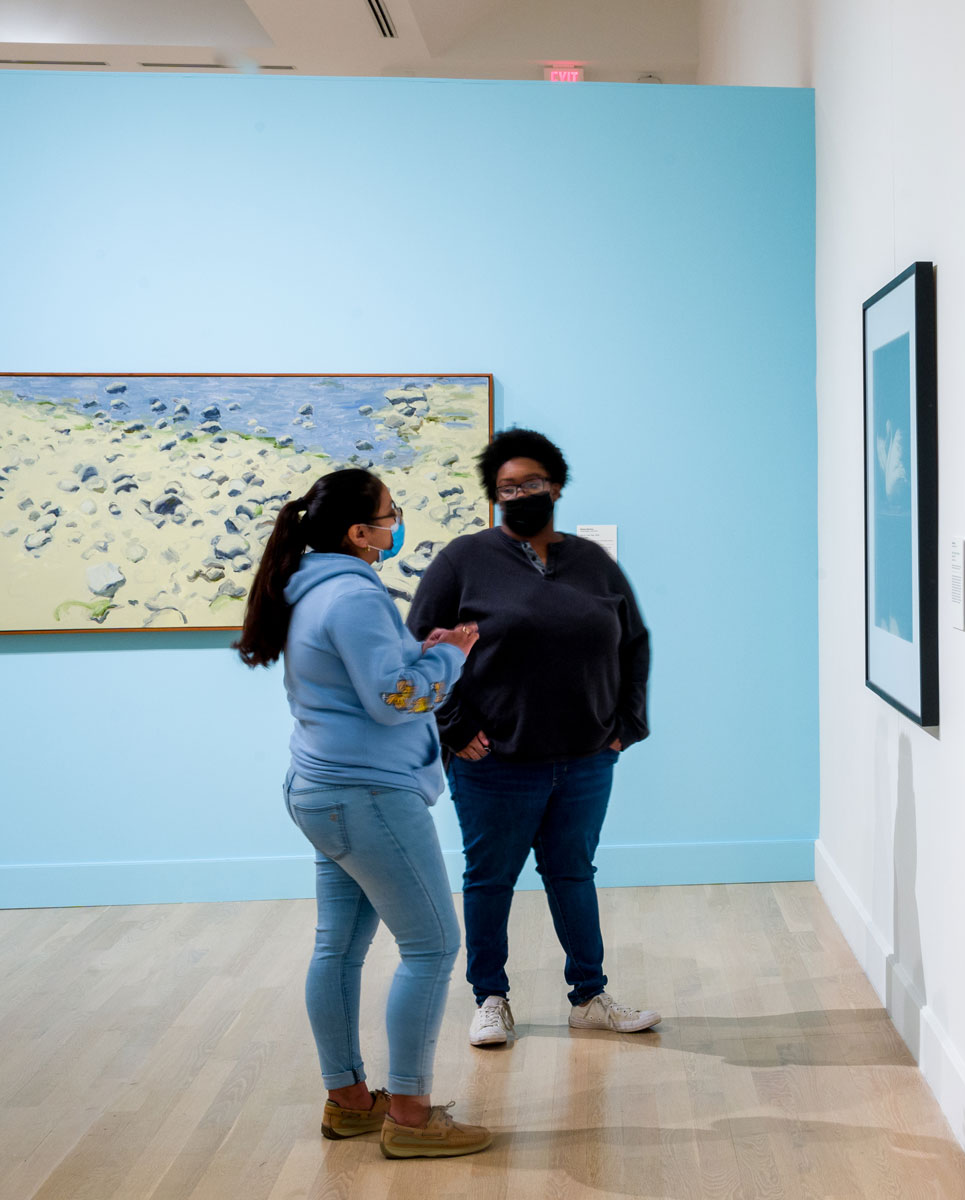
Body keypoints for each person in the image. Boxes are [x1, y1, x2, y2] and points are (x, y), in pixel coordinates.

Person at [235, 467, 493, 1160]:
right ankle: (409, 1116)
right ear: (359, 532)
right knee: (434, 946)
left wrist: (422, 652)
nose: (395, 522)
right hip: (367, 796)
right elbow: (395, 698)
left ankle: (349, 1102)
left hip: (322, 789)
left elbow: (363, 682)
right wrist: (449, 659)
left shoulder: (308, 585)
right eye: (389, 513)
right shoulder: (352, 595)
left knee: (339, 949)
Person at [407, 427, 659, 1049]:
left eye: (532, 483)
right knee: (490, 879)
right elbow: (417, 649)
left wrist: (627, 725)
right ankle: (491, 998)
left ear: (557, 486)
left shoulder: (592, 561)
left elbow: (634, 642)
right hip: (496, 761)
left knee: (573, 872)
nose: (519, 494)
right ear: (494, 495)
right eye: (507, 487)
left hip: (585, 759)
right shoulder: (462, 560)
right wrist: (454, 725)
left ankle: (590, 997)